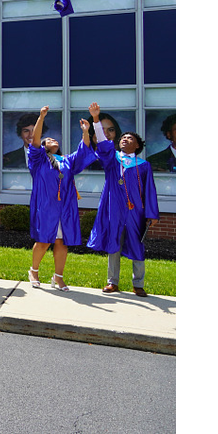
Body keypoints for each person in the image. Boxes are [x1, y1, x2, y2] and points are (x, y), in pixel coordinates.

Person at [86, 103, 159, 297]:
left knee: (137, 244)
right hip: (114, 207)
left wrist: (151, 214)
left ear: (137, 145)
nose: (125, 139)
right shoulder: (112, 158)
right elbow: (101, 142)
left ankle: (138, 284)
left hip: (135, 210)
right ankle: (113, 282)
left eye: (130, 138)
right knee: (114, 243)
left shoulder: (143, 165)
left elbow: (150, 191)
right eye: (123, 137)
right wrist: (95, 119)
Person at [26, 106, 96, 291]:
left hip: (65, 205)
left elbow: (84, 152)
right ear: (43, 145)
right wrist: (41, 117)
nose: (53, 140)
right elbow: (35, 140)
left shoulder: (66, 161)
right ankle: (33, 271)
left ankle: (58, 277)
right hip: (47, 204)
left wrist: (86, 132)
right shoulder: (37, 159)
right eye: (48, 139)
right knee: (44, 240)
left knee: (61, 241)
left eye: (54, 139)